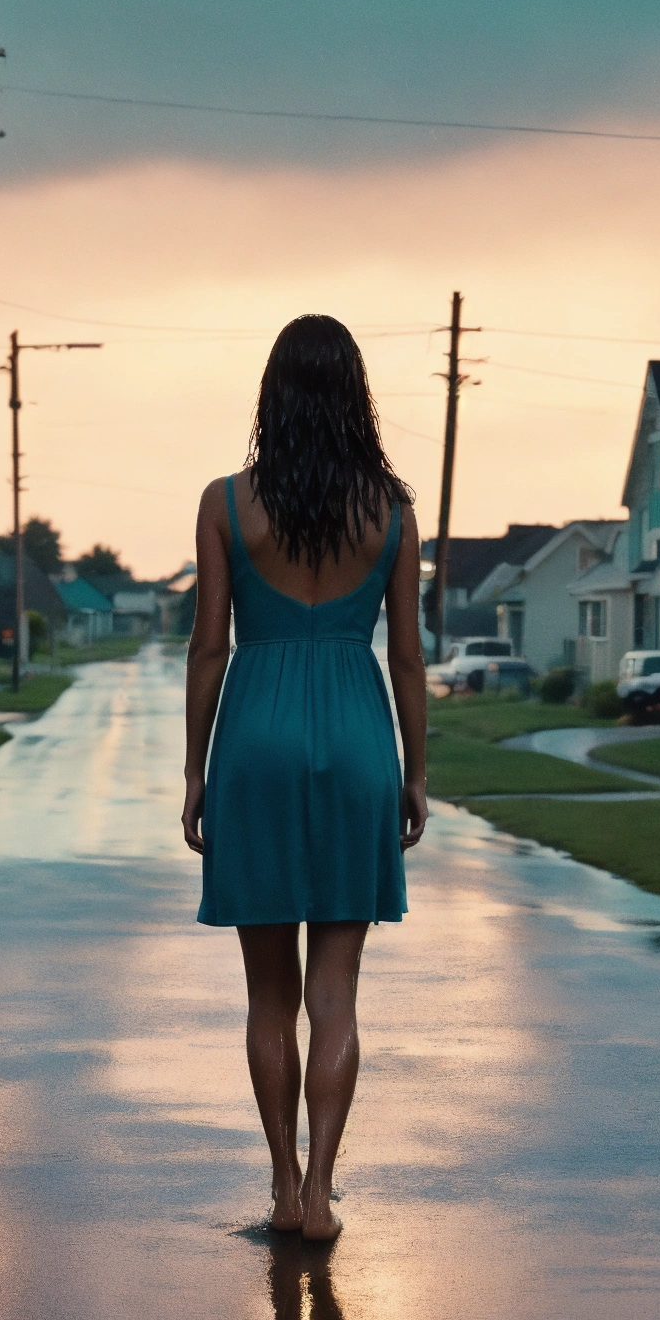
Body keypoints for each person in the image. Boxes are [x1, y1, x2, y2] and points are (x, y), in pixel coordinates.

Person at [182, 315, 428, 1242]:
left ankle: (281, 1184)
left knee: (267, 996)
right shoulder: (394, 512)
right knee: (337, 993)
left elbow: (209, 646)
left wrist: (196, 773)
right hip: (360, 737)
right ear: (356, 394)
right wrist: (415, 772)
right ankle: (324, 1189)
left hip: (254, 740)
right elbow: (407, 657)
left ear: (272, 395)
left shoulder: (224, 501)